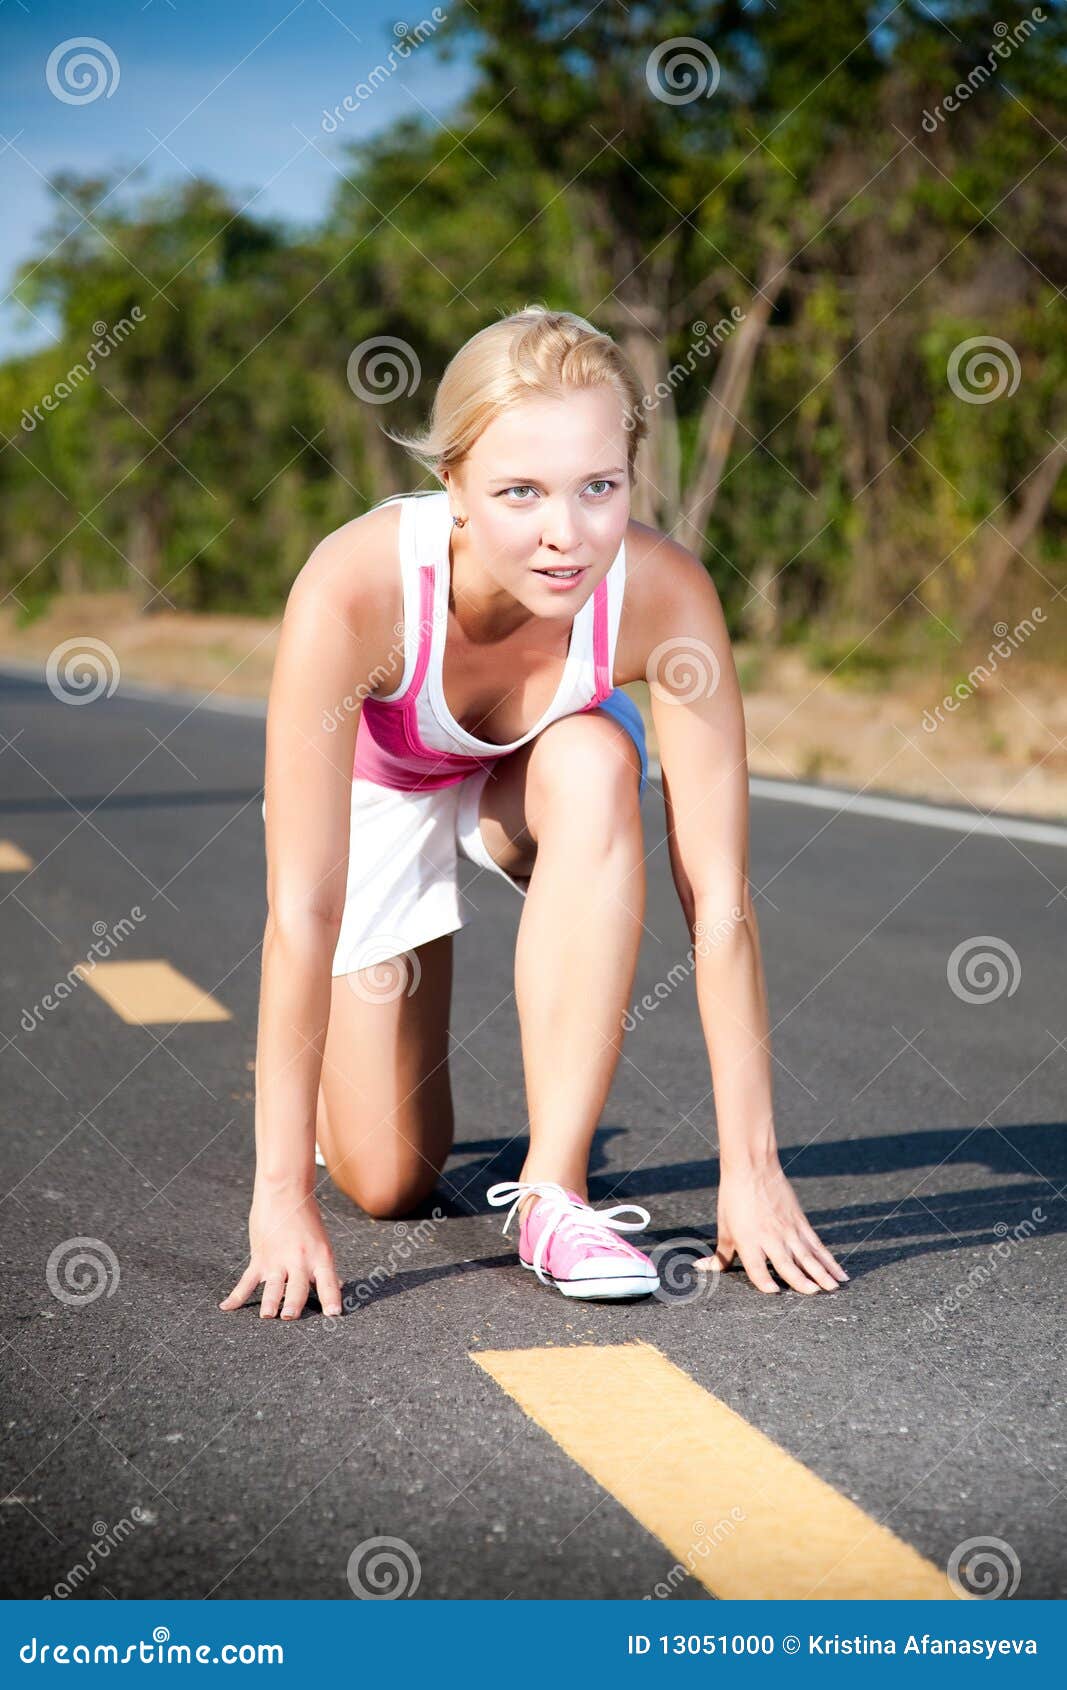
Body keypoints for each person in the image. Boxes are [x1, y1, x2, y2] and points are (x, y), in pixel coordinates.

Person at [220, 305, 848, 1322]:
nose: (567, 535)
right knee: (390, 1180)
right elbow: (301, 908)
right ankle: (338, 1093)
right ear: (454, 486)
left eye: (598, 487)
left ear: (630, 478)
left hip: (527, 776)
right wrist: (281, 1194)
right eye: (520, 492)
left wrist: (752, 1168)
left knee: (600, 758)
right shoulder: (355, 590)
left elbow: (719, 892)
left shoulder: (663, 594)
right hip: (380, 789)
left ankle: (555, 1194)